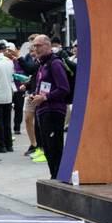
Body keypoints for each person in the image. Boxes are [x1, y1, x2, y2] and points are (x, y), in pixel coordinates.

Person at [29, 35, 71, 178]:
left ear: (48, 46)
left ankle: (58, 177)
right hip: (43, 110)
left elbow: (64, 88)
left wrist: (45, 97)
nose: (36, 49)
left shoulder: (55, 63)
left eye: (38, 45)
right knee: (47, 147)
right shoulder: (42, 64)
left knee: (54, 147)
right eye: (34, 46)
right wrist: (35, 95)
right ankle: (54, 175)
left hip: (54, 111)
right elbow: (43, 86)